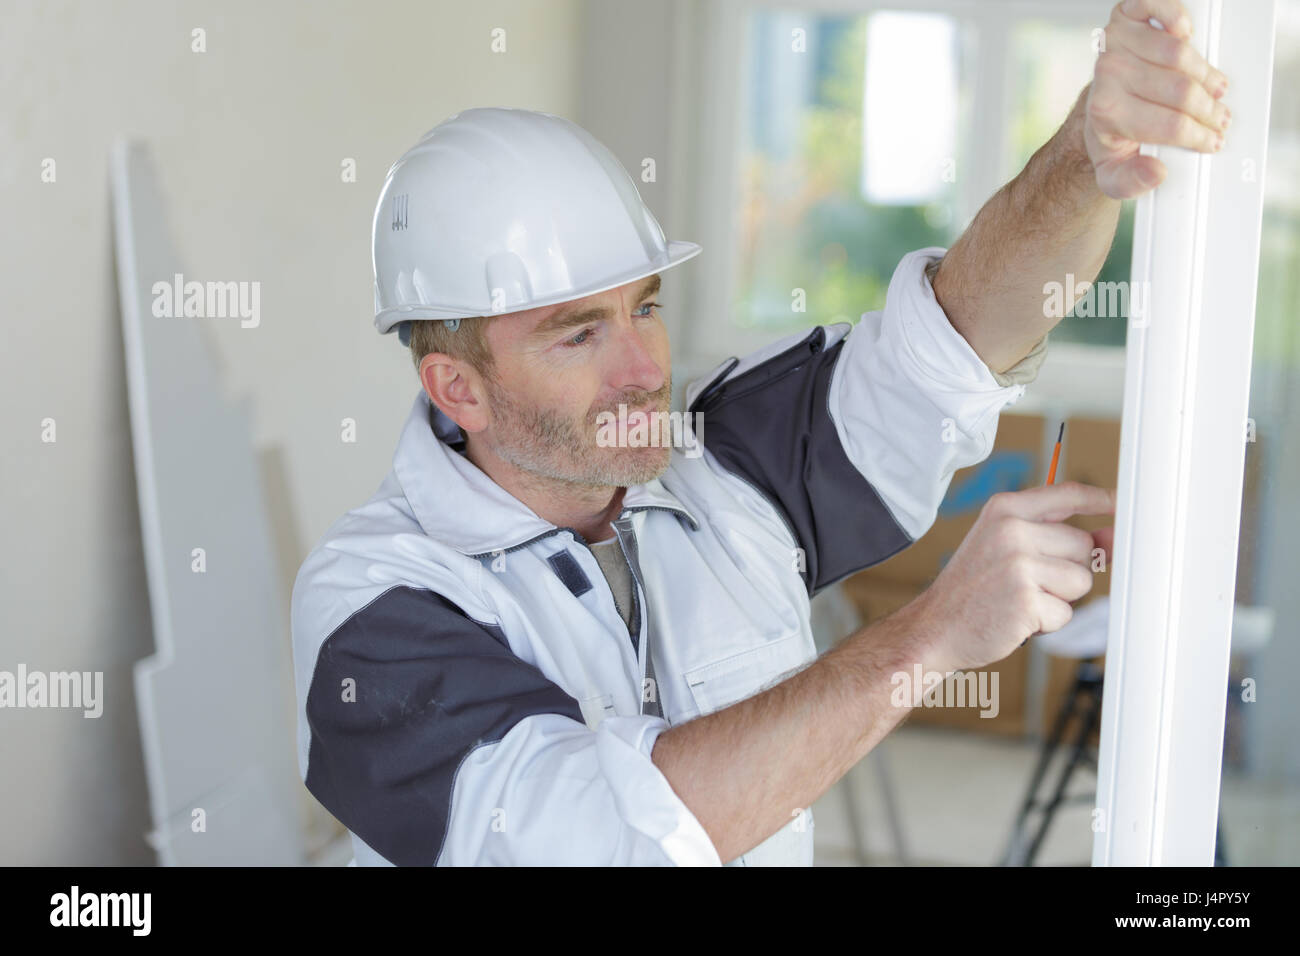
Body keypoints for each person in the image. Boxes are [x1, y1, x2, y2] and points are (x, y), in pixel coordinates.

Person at [289, 0, 1228, 865]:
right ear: (459, 388)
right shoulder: (374, 609)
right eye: (580, 333)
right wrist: (931, 636)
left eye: (644, 306)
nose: (644, 368)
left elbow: (958, 337)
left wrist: (1084, 158)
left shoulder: (725, 461)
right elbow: (601, 843)